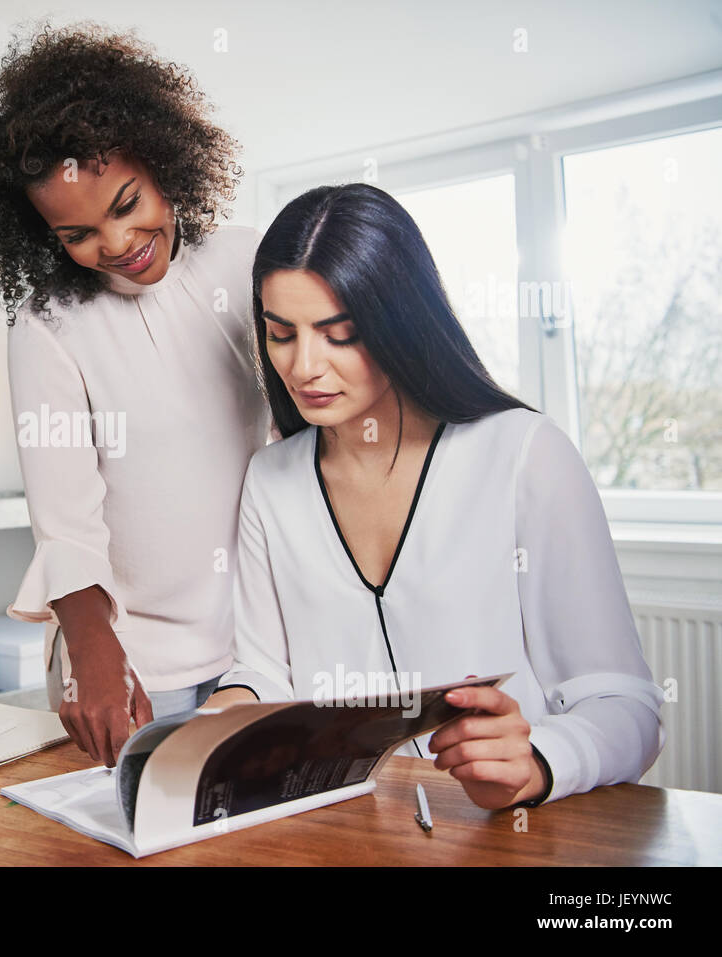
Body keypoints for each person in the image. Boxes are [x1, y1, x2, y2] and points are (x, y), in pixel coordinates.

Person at [204, 183, 665, 809]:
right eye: (281, 333)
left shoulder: (525, 454)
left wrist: (539, 763)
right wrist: (224, 713)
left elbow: (626, 706)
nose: (304, 365)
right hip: (340, 834)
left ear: (404, 322)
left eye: (338, 333)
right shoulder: (270, 479)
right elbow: (262, 670)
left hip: (499, 838)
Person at [0, 22, 272, 767]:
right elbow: (66, 522)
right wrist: (94, 654)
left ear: (165, 159)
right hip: (133, 668)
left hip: (258, 651)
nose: (119, 242)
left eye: (128, 202)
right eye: (78, 233)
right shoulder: (49, 326)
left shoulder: (243, 264)